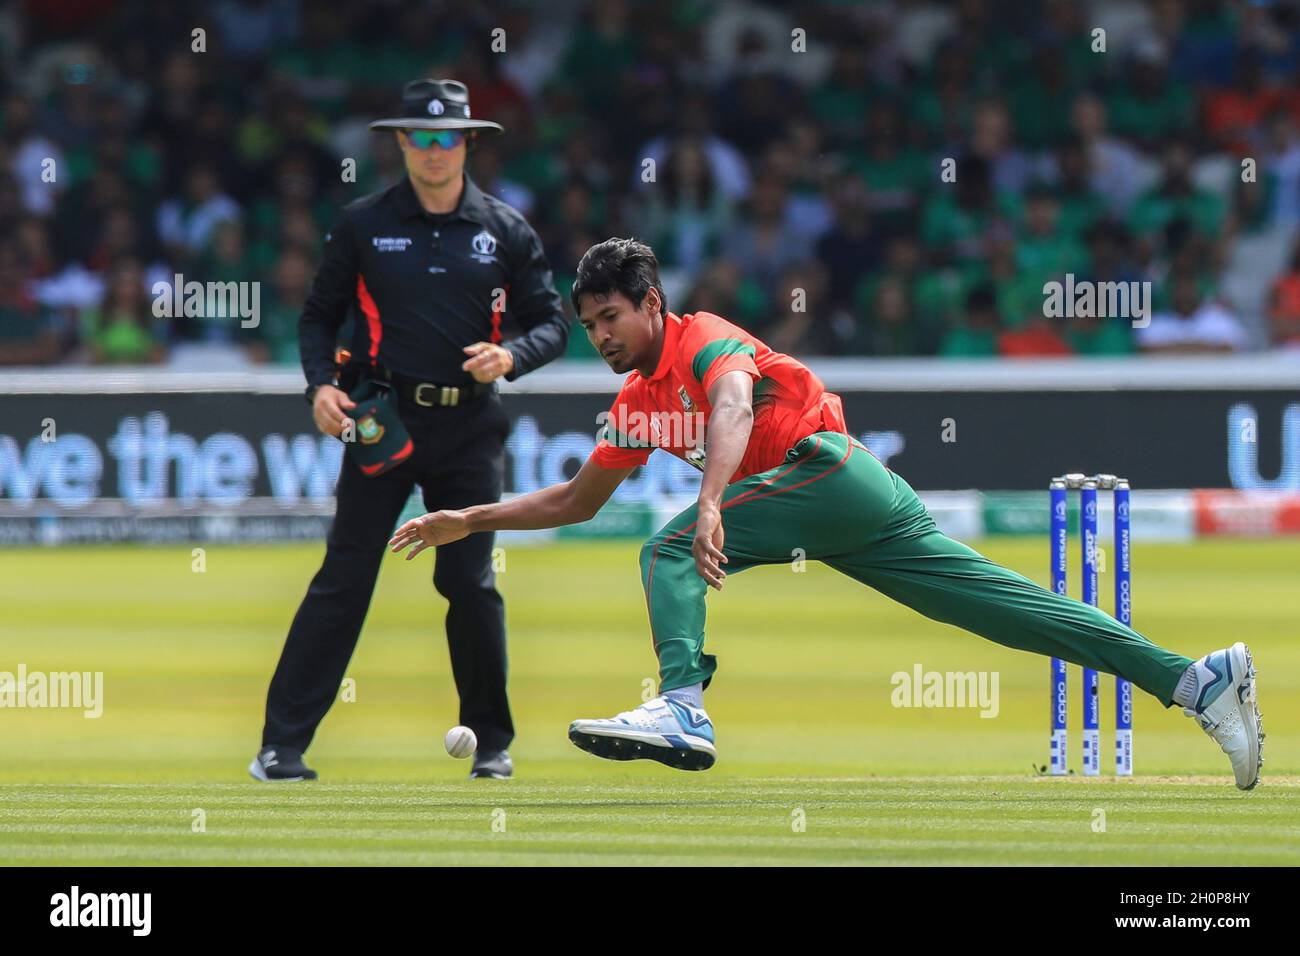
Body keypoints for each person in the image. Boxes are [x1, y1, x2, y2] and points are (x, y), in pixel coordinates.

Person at [388, 238, 1264, 790]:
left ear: (652, 303)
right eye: (588, 326)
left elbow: (732, 406)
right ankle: (1198, 681)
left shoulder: (701, 338)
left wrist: (708, 506)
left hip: (828, 475)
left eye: (611, 317)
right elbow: (577, 499)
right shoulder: (635, 401)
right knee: (1016, 614)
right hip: (850, 505)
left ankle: (684, 707)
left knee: (664, 553)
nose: (601, 336)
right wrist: (470, 517)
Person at [251, 80, 569, 783]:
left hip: (469, 425)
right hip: (381, 420)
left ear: (468, 143)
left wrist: (512, 355)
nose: (434, 151)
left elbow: (554, 322)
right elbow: (317, 317)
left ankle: (490, 742)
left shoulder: (506, 230)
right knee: (345, 576)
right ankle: (281, 747)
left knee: (469, 581)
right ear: (401, 143)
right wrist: (320, 387)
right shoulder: (363, 225)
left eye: (447, 138)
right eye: (421, 138)